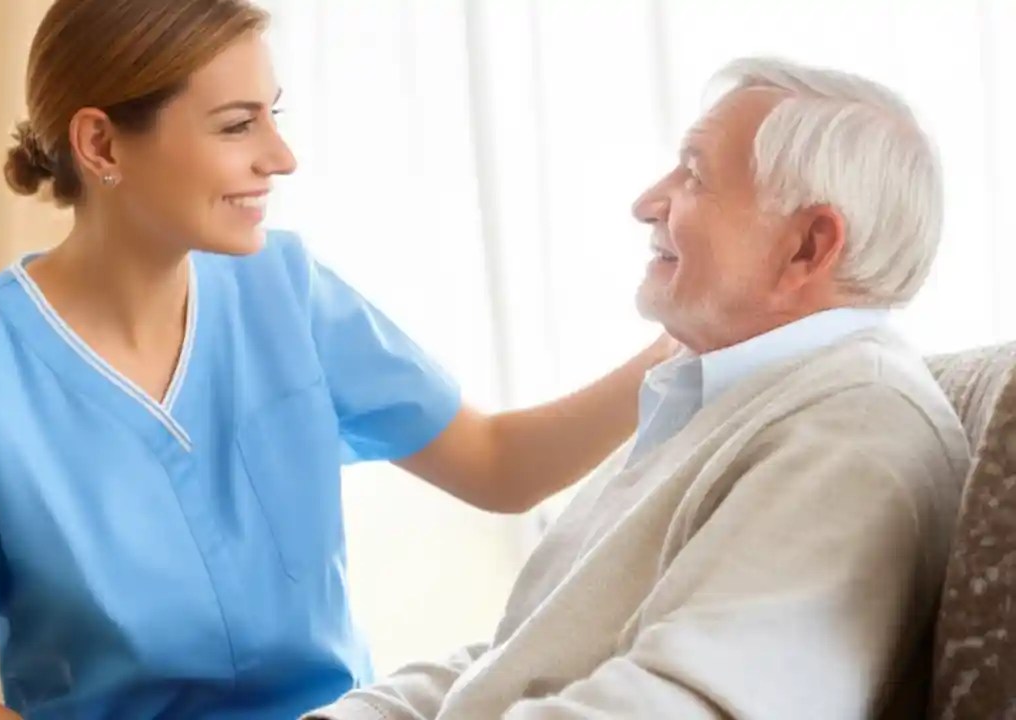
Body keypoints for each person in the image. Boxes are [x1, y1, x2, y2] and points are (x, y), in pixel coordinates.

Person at [0, 1, 672, 718]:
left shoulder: (289, 291)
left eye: (274, 114)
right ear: (100, 146)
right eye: (238, 124)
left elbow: (498, 465)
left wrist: (685, 344)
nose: (281, 156)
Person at [307, 57, 971, 720]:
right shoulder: (724, 402)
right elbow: (518, 658)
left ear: (808, 246)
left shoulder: (856, 437)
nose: (648, 201)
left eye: (694, 176)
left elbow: (681, 709)